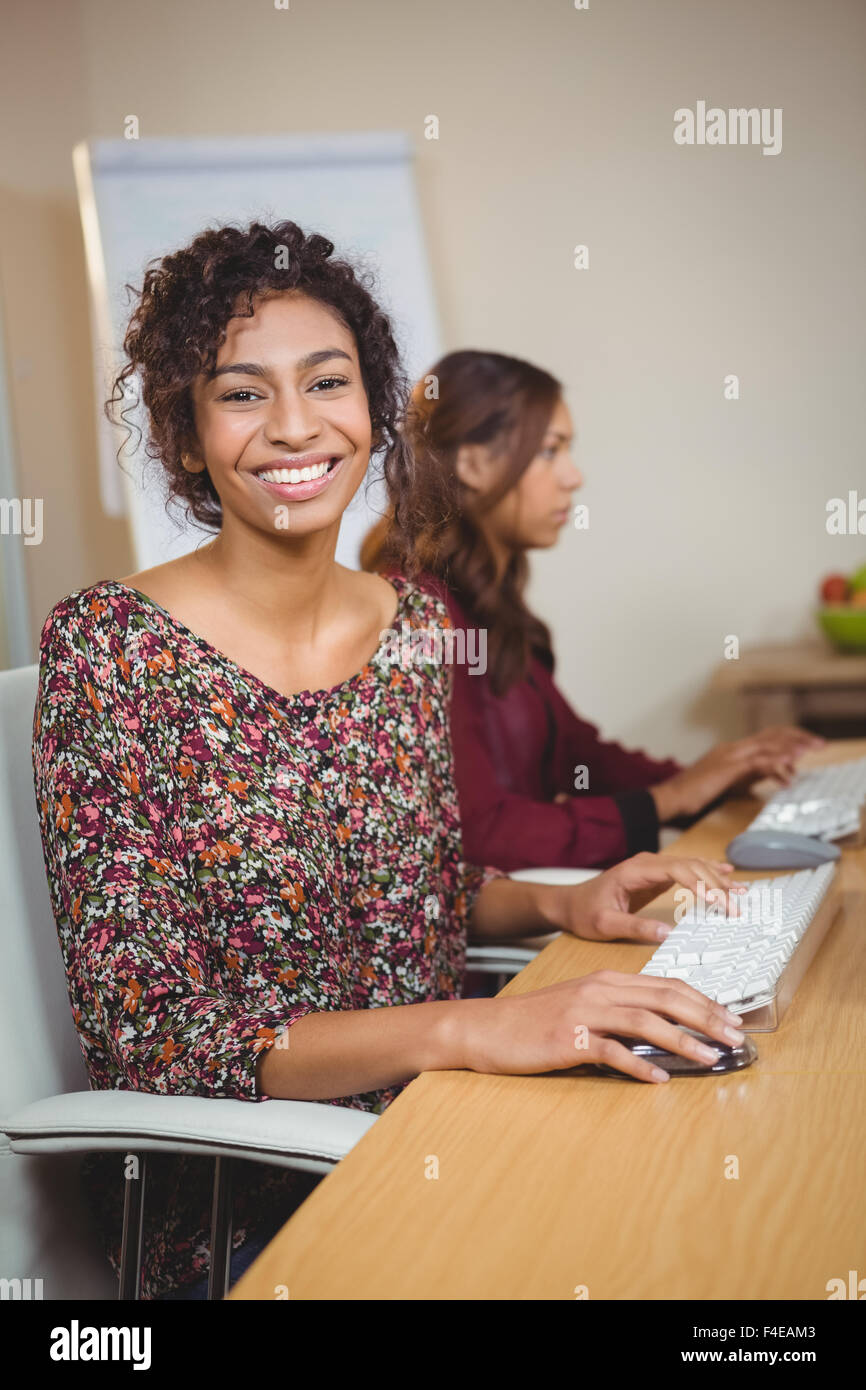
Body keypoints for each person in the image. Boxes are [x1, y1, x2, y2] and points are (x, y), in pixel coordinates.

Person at [33, 222, 747, 1300]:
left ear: (370, 409)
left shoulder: (409, 621)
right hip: (257, 1209)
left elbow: (400, 889)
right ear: (183, 436)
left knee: (713, 1239)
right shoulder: (109, 648)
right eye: (239, 394)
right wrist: (473, 1025)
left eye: (327, 381)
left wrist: (558, 908)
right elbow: (150, 1037)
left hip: (455, 1117)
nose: (292, 426)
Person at [361, 349, 823, 871]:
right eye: (549, 451)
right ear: (472, 463)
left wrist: (712, 773)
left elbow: (576, 752)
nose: (573, 477)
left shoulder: (482, 601)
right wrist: (670, 801)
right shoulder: (417, 616)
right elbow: (480, 834)